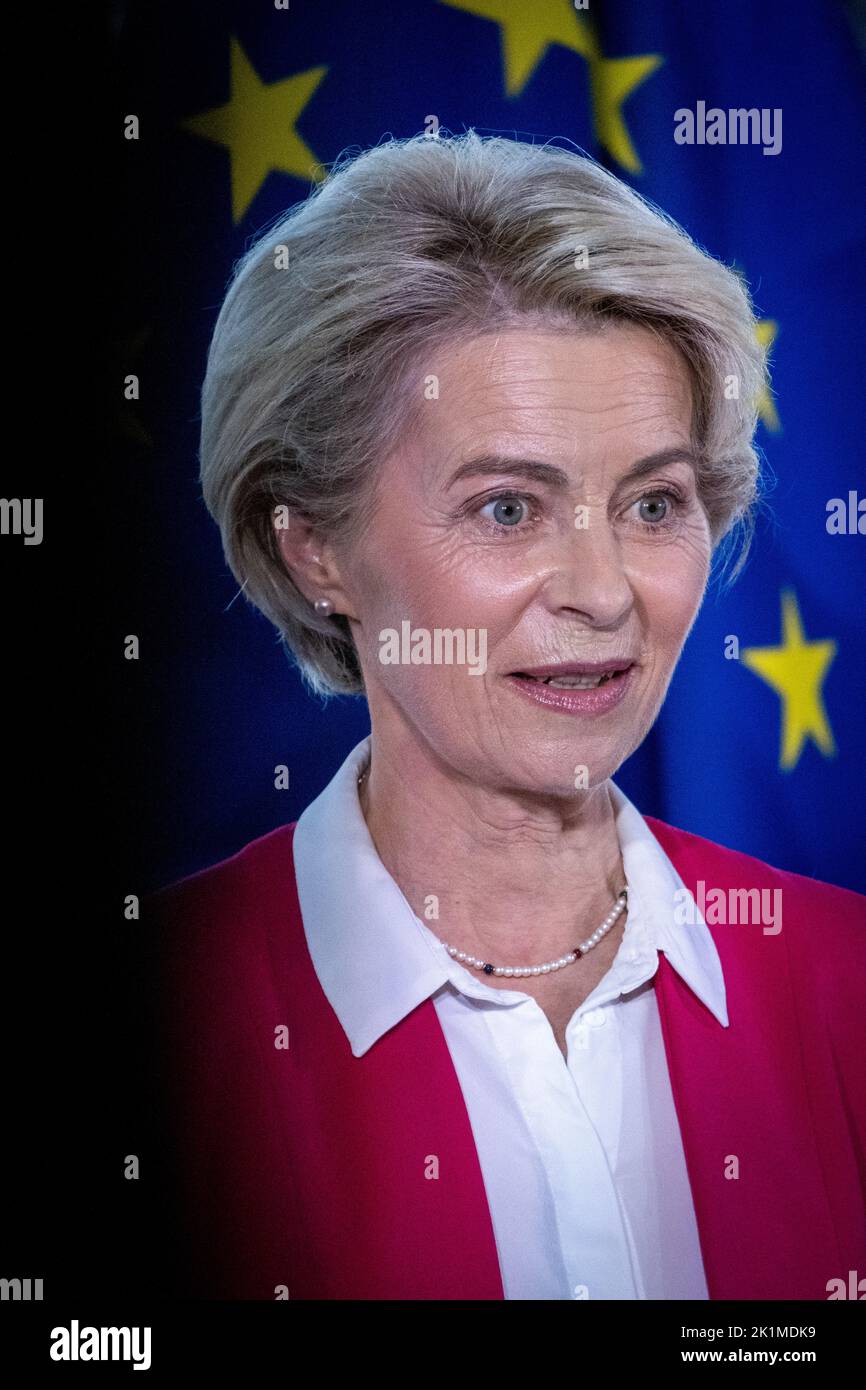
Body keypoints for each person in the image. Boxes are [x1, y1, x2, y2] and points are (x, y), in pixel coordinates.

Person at [145, 132, 866, 1300]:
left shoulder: (848, 979)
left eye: (651, 501)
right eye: (504, 507)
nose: (600, 588)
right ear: (314, 544)